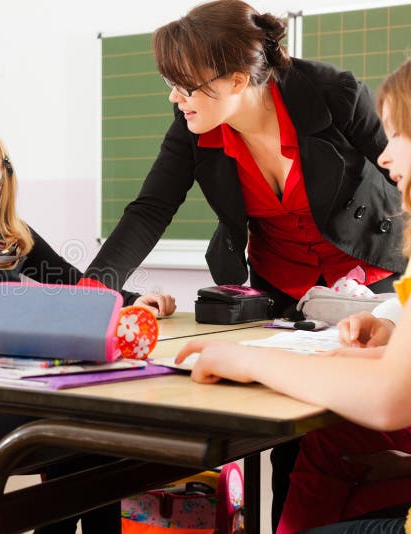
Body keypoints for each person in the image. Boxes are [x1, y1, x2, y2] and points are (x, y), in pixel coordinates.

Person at [82, 1, 405, 528]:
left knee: (353, 428)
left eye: (185, 85)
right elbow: (150, 211)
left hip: (371, 282)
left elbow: (399, 167)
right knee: (285, 432)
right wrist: (88, 299)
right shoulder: (193, 124)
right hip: (281, 288)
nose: (174, 97)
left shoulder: (332, 93)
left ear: (236, 79)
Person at [176, 58, 411, 534]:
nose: (383, 157)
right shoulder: (195, 130)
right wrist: (387, 324)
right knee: (331, 443)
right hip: (295, 295)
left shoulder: (329, 93)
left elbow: (389, 397)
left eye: (399, 136)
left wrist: (242, 360)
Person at [0, 125, 176, 534]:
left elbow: (77, 282)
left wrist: (134, 299)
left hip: (23, 381)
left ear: (4, 185)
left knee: (95, 435)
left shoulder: (16, 238)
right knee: (77, 432)